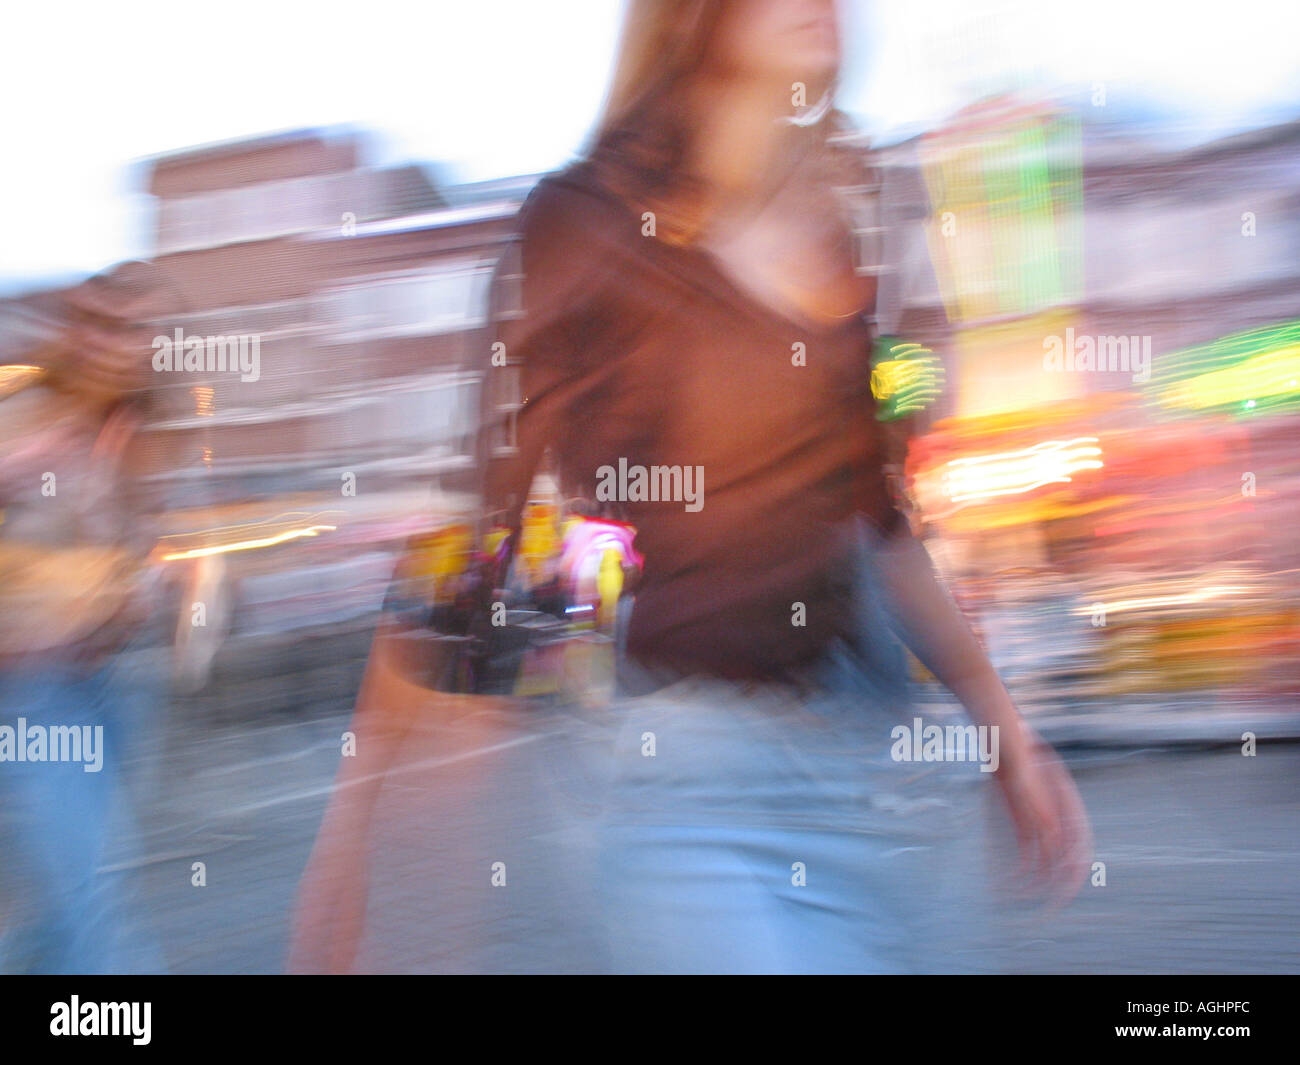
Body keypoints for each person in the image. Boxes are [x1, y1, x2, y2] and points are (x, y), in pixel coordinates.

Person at [290, 0, 1092, 974]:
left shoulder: (840, 236)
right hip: (684, 788)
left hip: (864, 783)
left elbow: (878, 523)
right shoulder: (585, 225)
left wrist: (1006, 733)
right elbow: (480, 543)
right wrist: (351, 829)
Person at [0, 262, 170, 973]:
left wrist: (139, 577)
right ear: (70, 333)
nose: (109, 345)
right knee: (92, 890)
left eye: (129, 331)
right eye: (95, 325)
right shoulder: (22, 421)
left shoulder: (131, 432)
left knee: (70, 888)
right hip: (34, 687)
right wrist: (82, 581)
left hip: (119, 678)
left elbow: (140, 544)